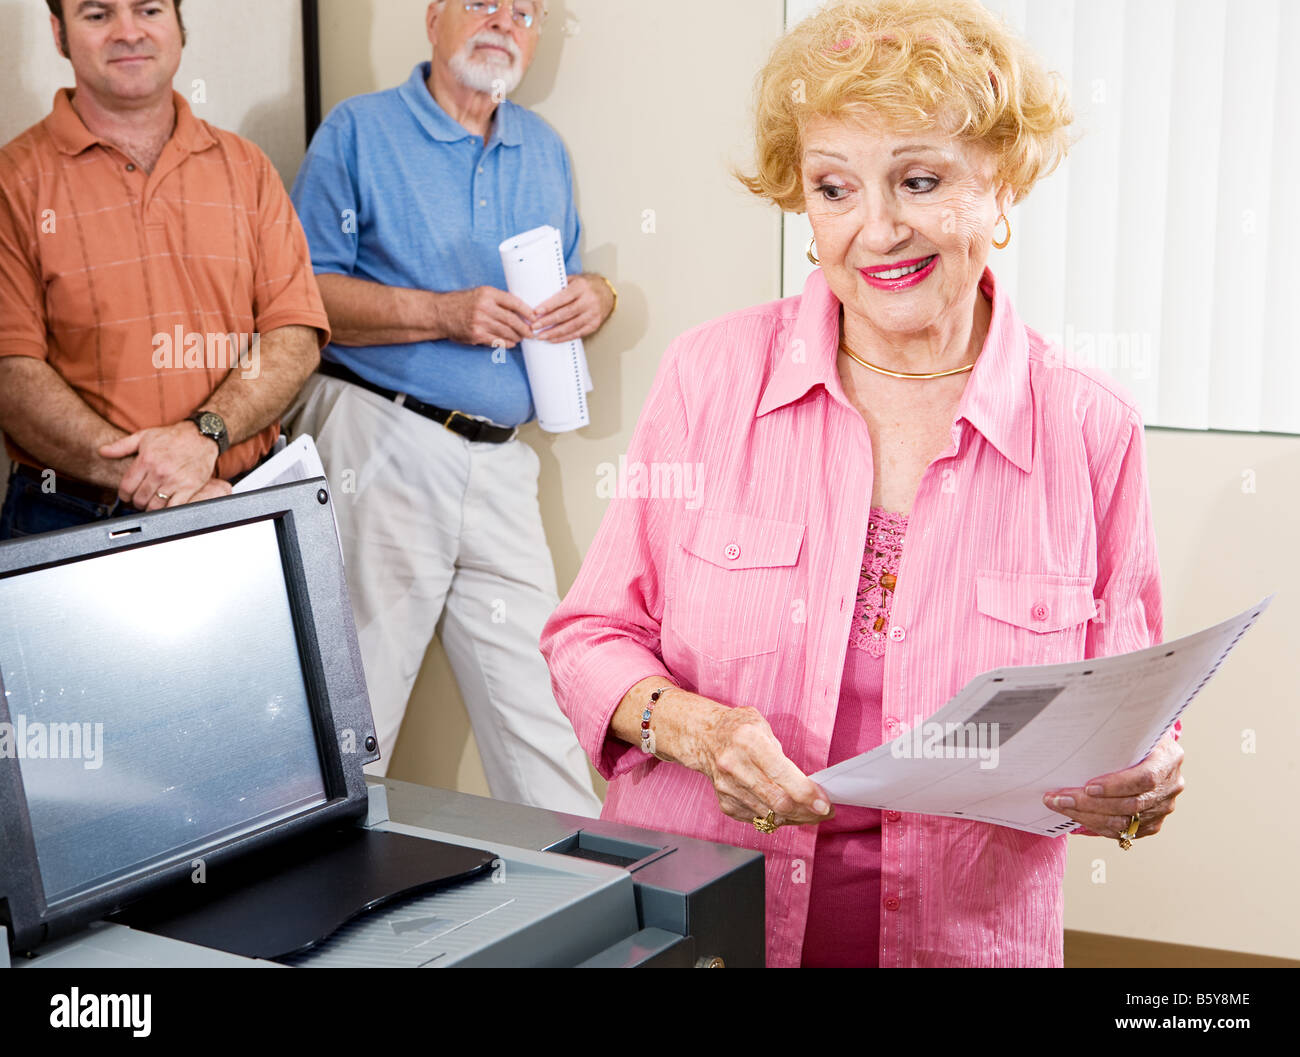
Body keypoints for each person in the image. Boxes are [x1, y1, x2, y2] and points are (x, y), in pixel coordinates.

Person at [540, 0, 1185, 967]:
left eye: (918, 179)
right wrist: (699, 730)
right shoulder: (710, 377)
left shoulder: (1091, 427)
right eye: (833, 189)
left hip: (960, 943)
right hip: (704, 932)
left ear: (999, 180)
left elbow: (1130, 703)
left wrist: (1146, 776)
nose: (875, 231)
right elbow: (589, 638)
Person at [284, 1, 607, 815]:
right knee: (357, 714)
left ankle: (586, 913)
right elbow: (303, 297)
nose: (503, 23)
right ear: (433, 19)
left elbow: (562, 282)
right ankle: (312, 922)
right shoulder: (358, 131)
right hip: (381, 441)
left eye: (524, 12)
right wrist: (443, 312)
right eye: (481, 3)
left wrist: (595, 296)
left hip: (503, 462)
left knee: (544, 713)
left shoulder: (544, 148)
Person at [0, 0, 327, 539]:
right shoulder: (13, 184)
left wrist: (205, 438)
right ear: (59, 33)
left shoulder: (247, 168)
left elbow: (294, 334)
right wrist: (158, 478)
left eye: (148, 10)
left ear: (179, 26)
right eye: (97, 15)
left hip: (242, 497)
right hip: (73, 515)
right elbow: (11, 373)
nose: (128, 32)